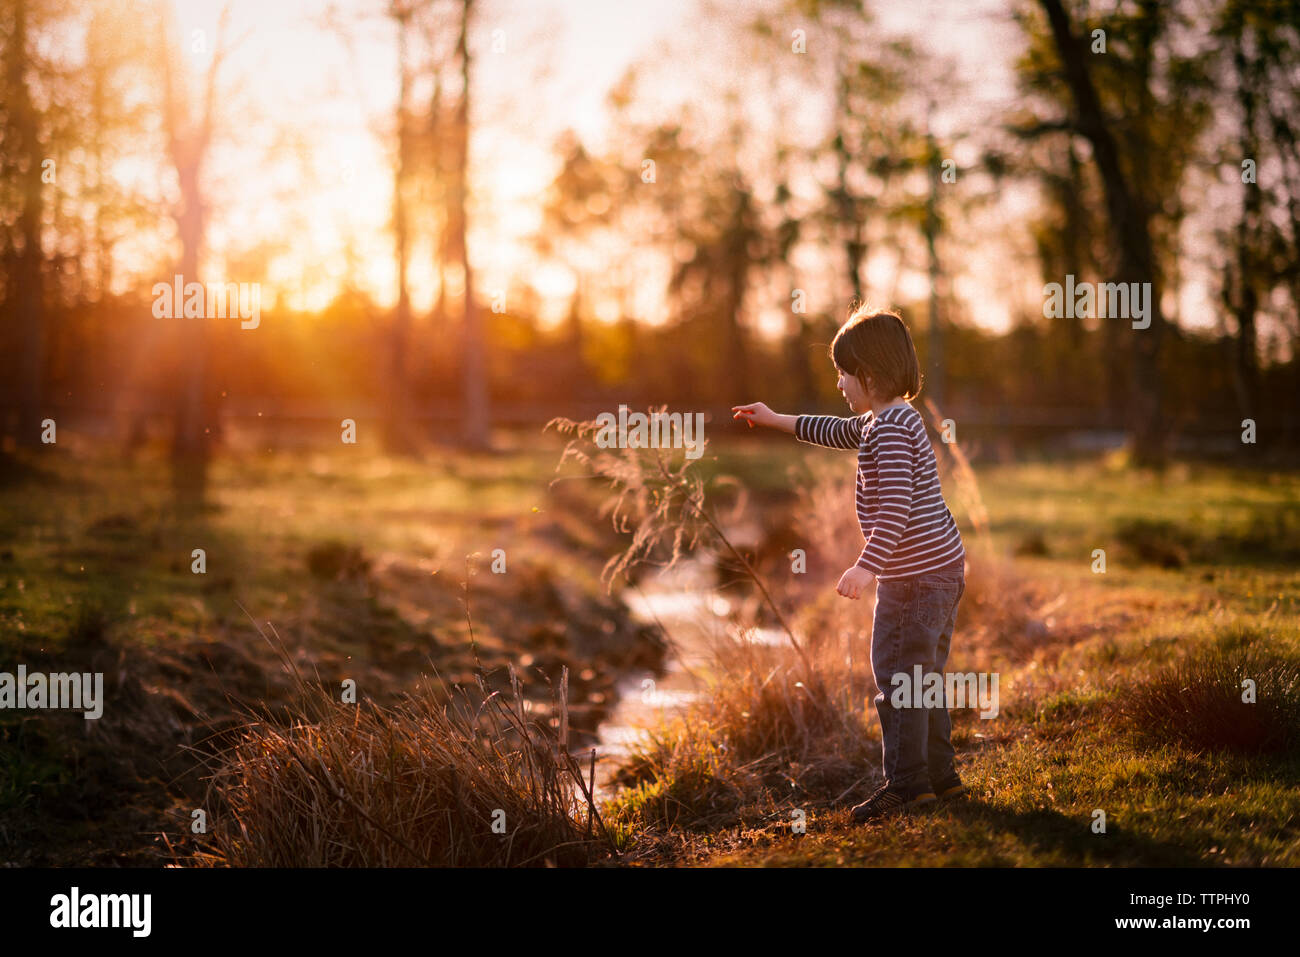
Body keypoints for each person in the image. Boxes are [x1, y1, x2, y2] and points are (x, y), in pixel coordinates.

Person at [731, 307, 967, 823]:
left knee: (896, 676)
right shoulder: (890, 420)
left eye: (842, 373)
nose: (837, 383)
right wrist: (776, 419)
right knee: (923, 676)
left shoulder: (888, 430)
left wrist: (867, 566)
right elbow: (836, 430)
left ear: (868, 376)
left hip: (914, 579)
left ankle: (905, 785)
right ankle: (939, 778)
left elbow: (899, 505)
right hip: (940, 571)